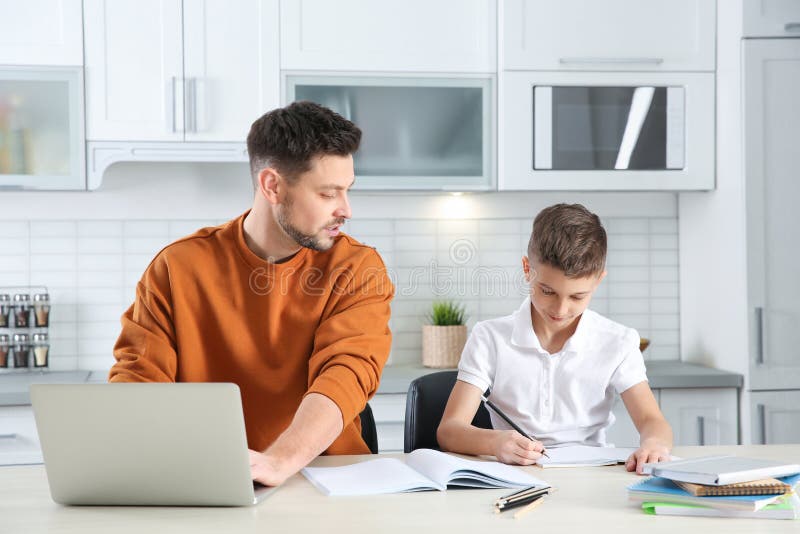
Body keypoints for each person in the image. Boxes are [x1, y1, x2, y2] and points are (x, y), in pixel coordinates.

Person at [109, 101, 394, 486]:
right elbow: (137, 384)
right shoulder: (177, 267)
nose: (346, 209)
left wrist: (277, 462)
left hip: (325, 483)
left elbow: (346, 373)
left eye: (347, 191)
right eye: (329, 194)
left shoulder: (358, 268)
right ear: (272, 185)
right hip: (205, 479)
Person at [436, 203, 672, 474]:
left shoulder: (618, 342)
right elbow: (449, 431)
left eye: (577, 296)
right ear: (527, 269)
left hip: (593, 477)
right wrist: (496, 442)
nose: (560, 310)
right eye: (547, 291)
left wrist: (654, 444)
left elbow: (652, 420)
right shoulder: (490, 337)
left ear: (598, 281)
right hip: (514, 476)